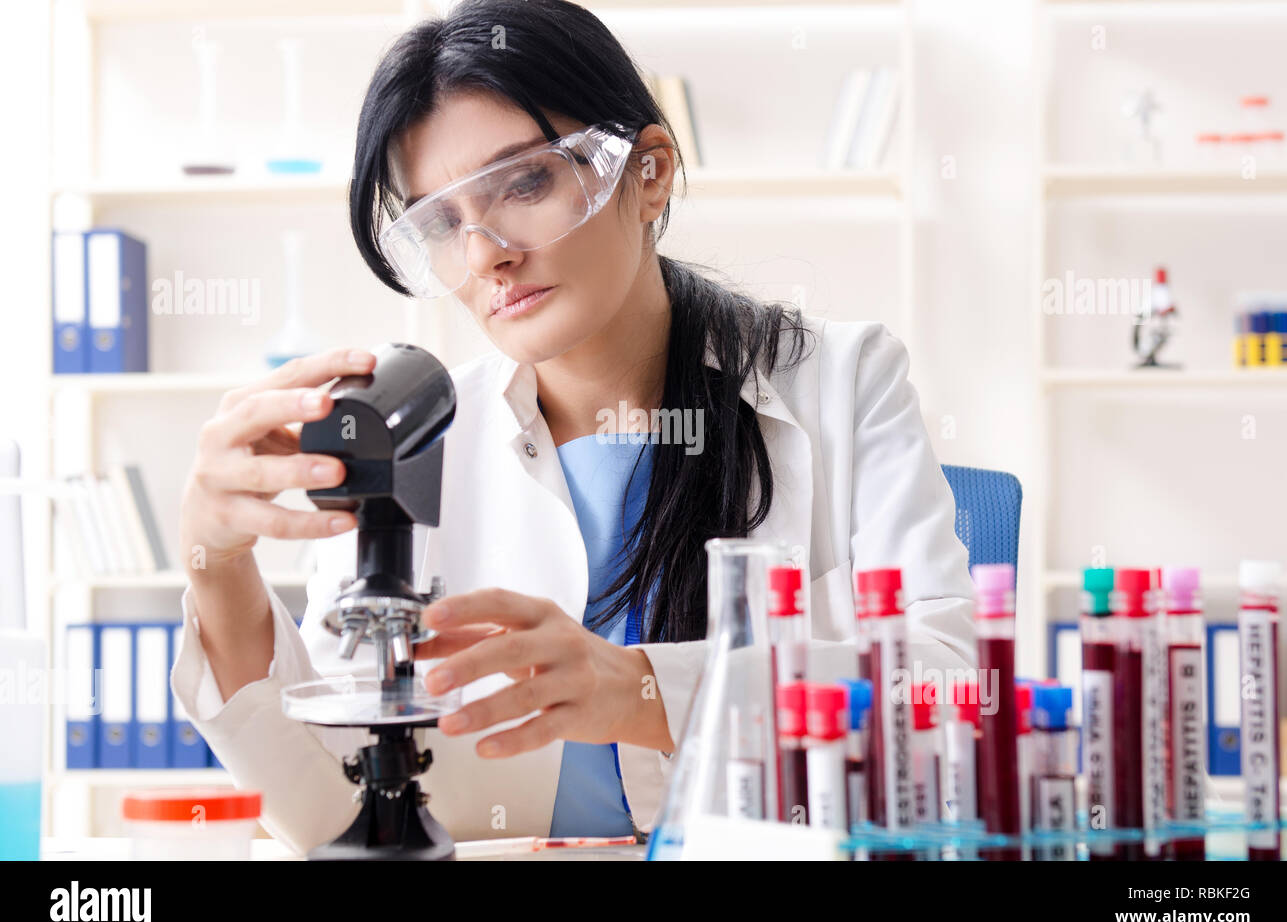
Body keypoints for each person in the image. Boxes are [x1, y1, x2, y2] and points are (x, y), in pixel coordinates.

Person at [172, 0, 976, 852]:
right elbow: (328, 812)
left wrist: (637, 687)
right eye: (442, 222)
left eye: (524, 182)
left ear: (649, 170)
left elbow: (948, 699)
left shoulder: (842, 383)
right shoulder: (414, 434)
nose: (486, 254)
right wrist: (218, 567)